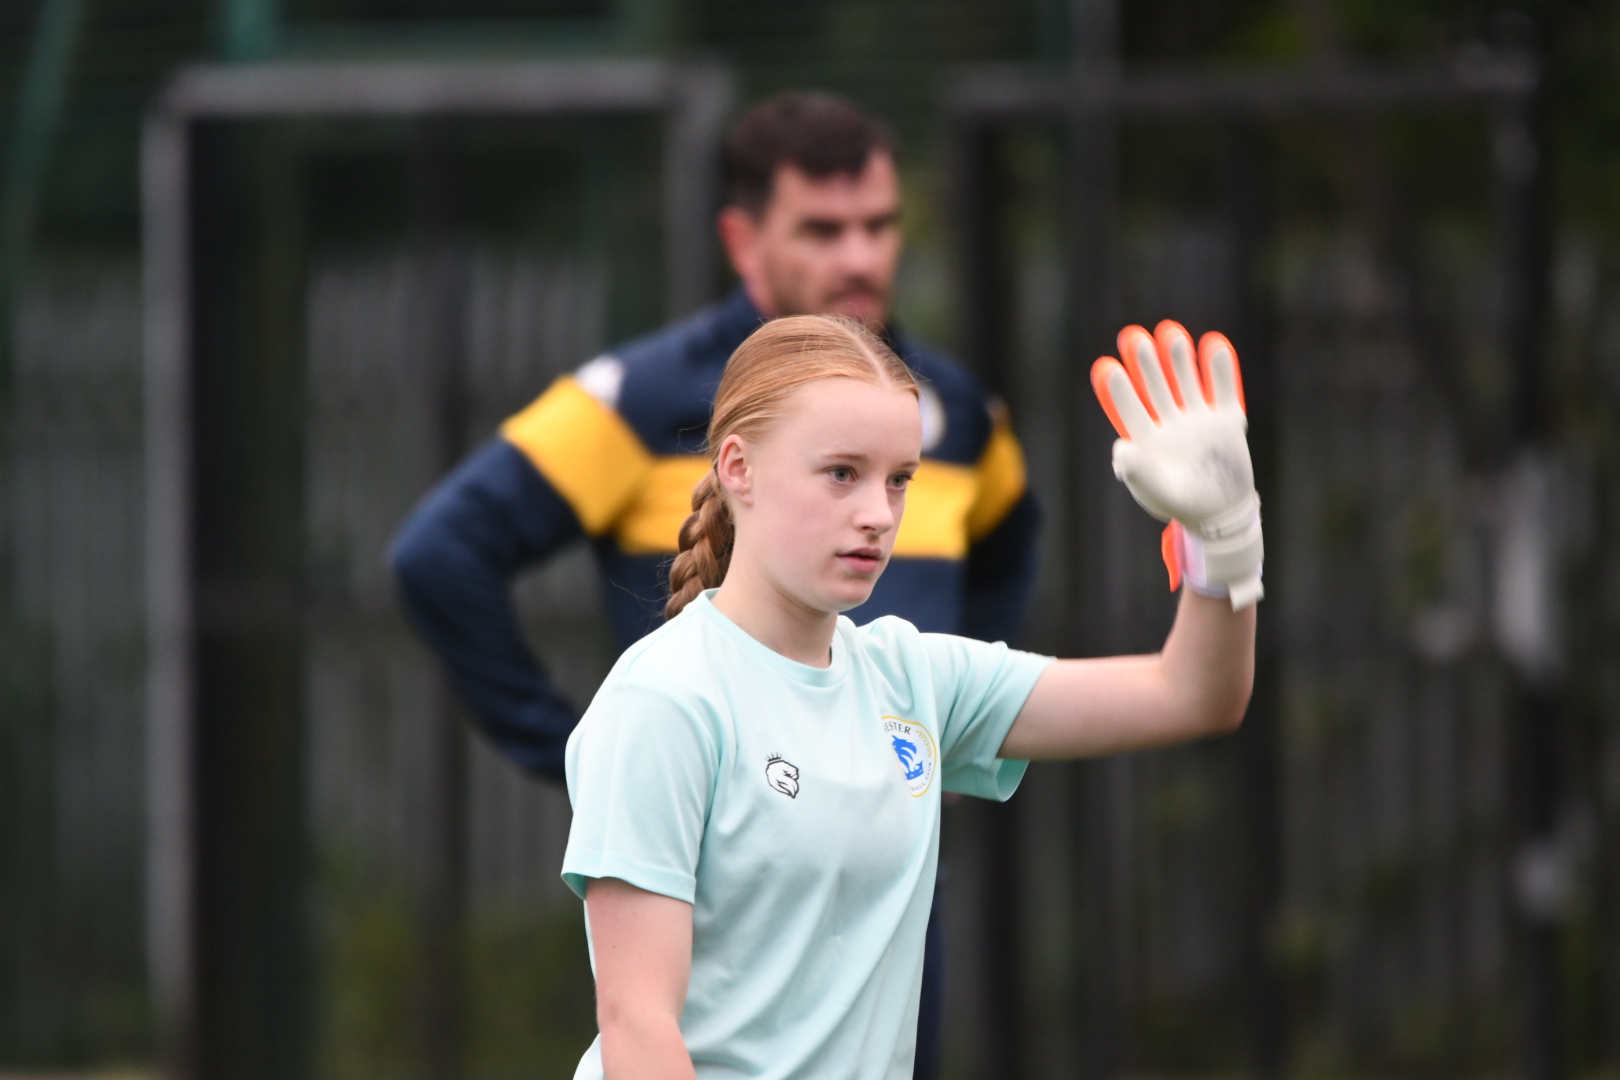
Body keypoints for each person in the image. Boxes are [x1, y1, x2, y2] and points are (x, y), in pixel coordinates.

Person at [390, 92, 1040, 1077]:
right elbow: (439, 556)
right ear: (742, 239)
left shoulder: (953, 412)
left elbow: (1007, 558)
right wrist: (567, 748)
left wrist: (936, 737)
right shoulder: (646, 399)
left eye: (879, 225)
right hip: (730, 887)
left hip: (881, 879)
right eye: (822, 229)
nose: (860, 258)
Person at [563, 314, 1261, 1080]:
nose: (878, 513)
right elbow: (638, 1029)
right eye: (841, 473)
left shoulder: (911, 679)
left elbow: (1193, 694)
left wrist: (1224, 540)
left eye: (899, 478)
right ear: (738, 468)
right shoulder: (664, 698)